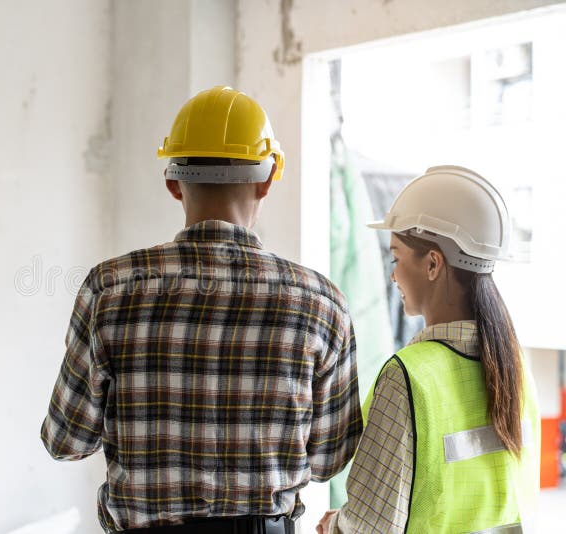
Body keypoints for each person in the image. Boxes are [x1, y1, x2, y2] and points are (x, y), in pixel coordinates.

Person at [41, 86, 363, 533]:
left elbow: (66, 440)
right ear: (268, 180)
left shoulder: (109, 289)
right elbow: (331, 459)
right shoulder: (322, 305)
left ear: (173, 183)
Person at [317, 166, 541, 534]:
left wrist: (335, 524)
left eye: (396, 257)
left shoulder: (409, 377)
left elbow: (370, 526)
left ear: (433, 263)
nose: (392, 276)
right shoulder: (516, 366)